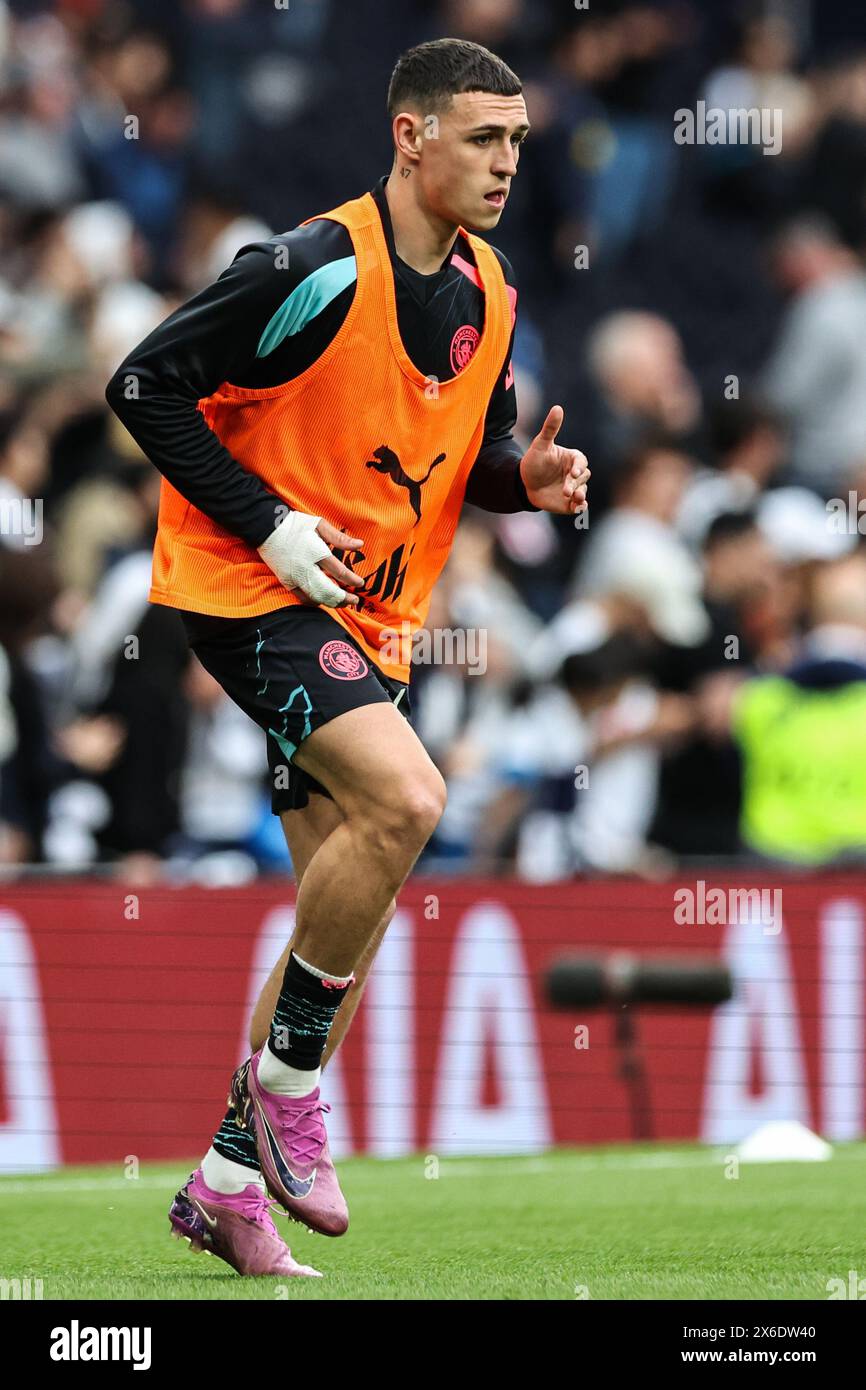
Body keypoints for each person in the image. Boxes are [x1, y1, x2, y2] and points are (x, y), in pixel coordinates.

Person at [105, 37, 590, 1278]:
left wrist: (519, 482)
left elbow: (463, 456)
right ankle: (284, 1091)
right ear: (410, 134)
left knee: (352, 906)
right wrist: (264, 517)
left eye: (517, 142)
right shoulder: (310, 264)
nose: (504, 164)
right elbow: (142, 382)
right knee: (412, 796)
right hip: (244, 588)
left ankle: (221, 1183)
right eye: (482, 138)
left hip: (365, 620)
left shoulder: (490, 292)